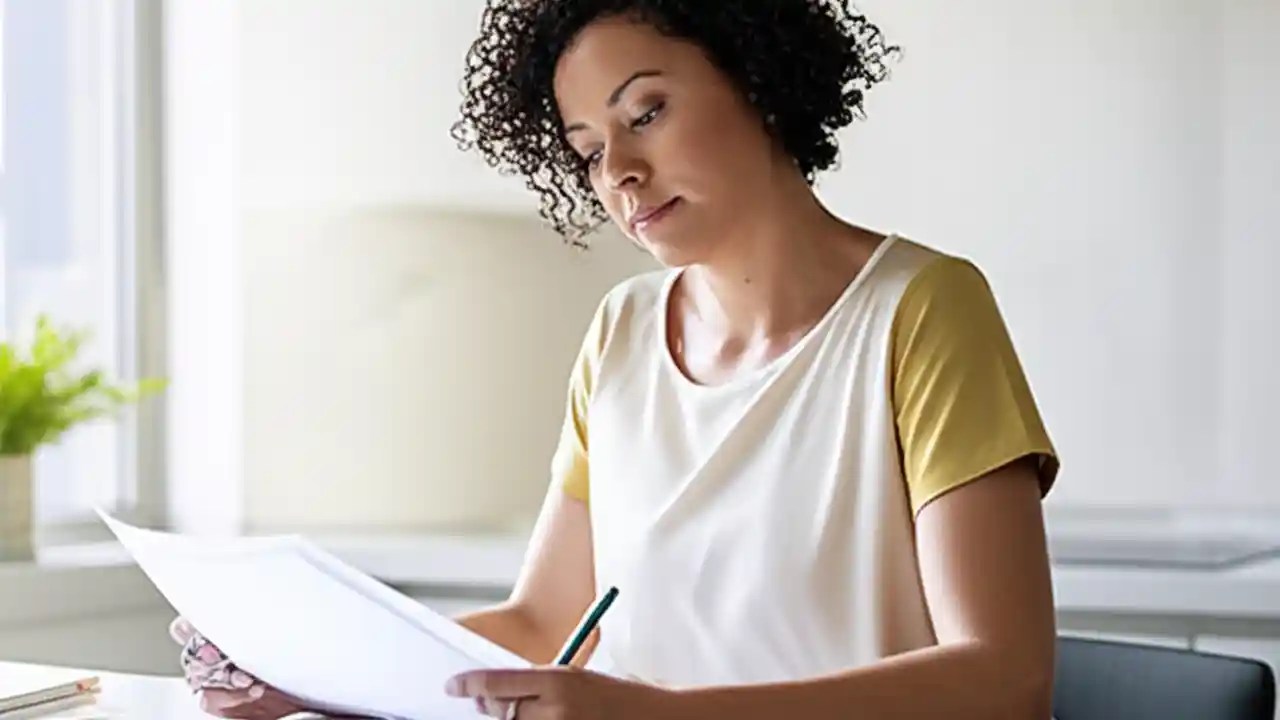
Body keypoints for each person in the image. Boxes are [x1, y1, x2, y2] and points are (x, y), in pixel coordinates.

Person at [172, 1, 1063, 718]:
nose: (622, 172)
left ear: (758, 80)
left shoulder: (922, 310)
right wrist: (310, 676)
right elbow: (544, 620)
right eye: (590, 150)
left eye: (648, 112)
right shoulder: (623, 329)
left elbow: (1002, 679)